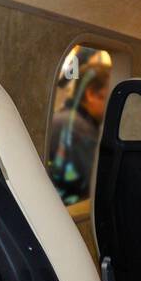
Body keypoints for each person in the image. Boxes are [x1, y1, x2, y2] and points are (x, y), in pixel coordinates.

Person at [47, 61, 111, 203]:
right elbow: (97, 183)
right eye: (111, 95)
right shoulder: (76, 128)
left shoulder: (70, 119)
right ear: (91, 94)